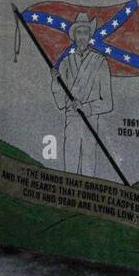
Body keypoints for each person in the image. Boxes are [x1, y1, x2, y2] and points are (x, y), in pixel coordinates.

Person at [50, 12, 114, 177]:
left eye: (85, 33)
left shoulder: (99, 62)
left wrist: (85, 107)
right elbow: (60, 102)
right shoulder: (65, 62)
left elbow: (108, 103)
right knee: (70, 162)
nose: (82, 37)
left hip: (90, 121)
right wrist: (56, 82)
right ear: (74, 36)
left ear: (89, 35)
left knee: (88, 163)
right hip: (71, 120)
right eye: (79, 33)